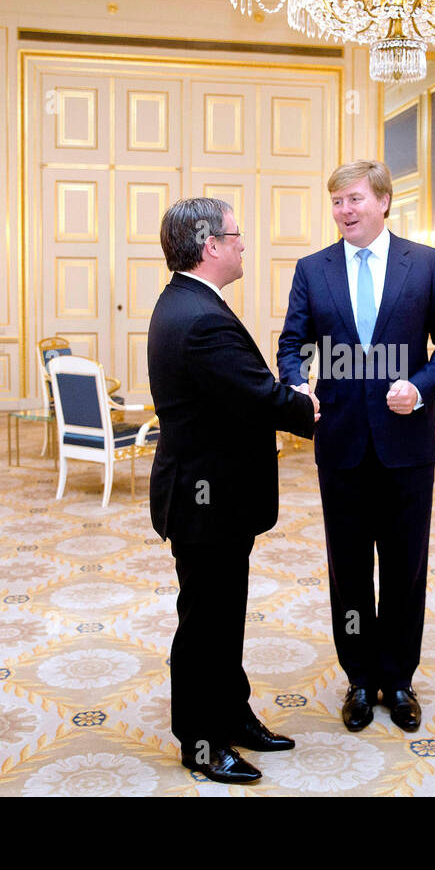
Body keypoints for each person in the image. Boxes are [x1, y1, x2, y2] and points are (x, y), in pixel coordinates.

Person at [277, 160, 435, 733]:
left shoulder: (426, 263)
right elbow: (292, 343)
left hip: (408, 446)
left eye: (356, 199)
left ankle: (400, 678)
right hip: (340, 445)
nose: (346, 210)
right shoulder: (313, 269)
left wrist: (421, 386)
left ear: (384, 201)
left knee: (407, 568)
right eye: (337, 201)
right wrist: (297, 381)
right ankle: (361, 679)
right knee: (351, 571)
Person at [147, 196, 319, 784]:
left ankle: (232, 715)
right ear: (210, 245)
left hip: (214, 498)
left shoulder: (190, 303)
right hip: (205, 502)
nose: (244, 243)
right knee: (203, 625)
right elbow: (260, 397)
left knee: (224, 615)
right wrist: (307, 406)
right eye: (236, 234)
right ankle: (199, 741)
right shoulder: (200, 319)